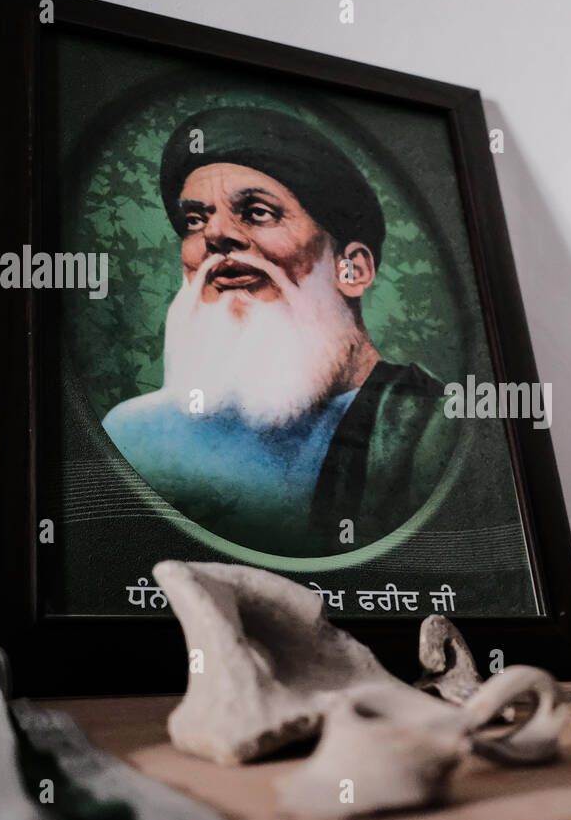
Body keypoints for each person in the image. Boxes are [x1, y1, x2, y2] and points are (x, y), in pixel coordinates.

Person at [102, 107, 450, 555]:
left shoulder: (432, 432)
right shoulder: (135, 435)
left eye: (258, 212)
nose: (217, 235)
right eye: (194, 220)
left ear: (353, 269)